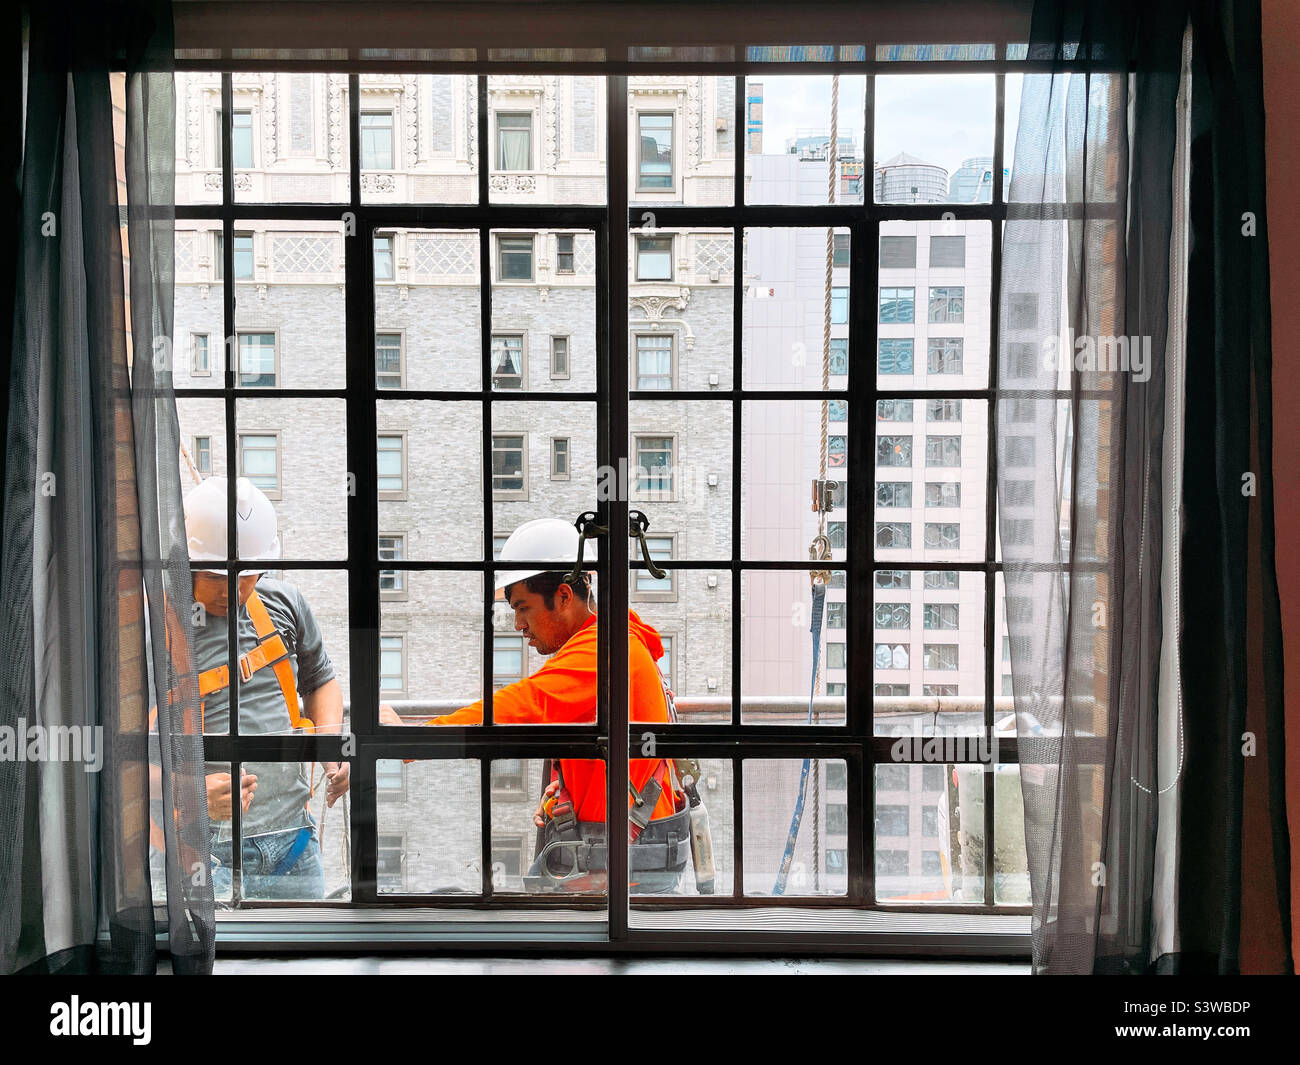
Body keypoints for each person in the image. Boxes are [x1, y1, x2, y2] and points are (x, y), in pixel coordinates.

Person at [382, 517, 691, 894]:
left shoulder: (605, 650)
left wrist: (411, 740)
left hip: (626, 873)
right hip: (620, 855)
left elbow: (526, 704)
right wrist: (565, 792)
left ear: (563, 596)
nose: (517, 625)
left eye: (523, 608)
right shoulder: (611, 641)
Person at [163, 476, 348, 901]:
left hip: (294, 842)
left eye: (246, 576)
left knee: (307, 965)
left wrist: (329, 746)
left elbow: (320, 680)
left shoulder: (284, 603)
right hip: (204, 850)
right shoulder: (156, 624)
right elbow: (122, 743)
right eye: (216, 577)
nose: (233, 590)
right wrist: (187, 794)